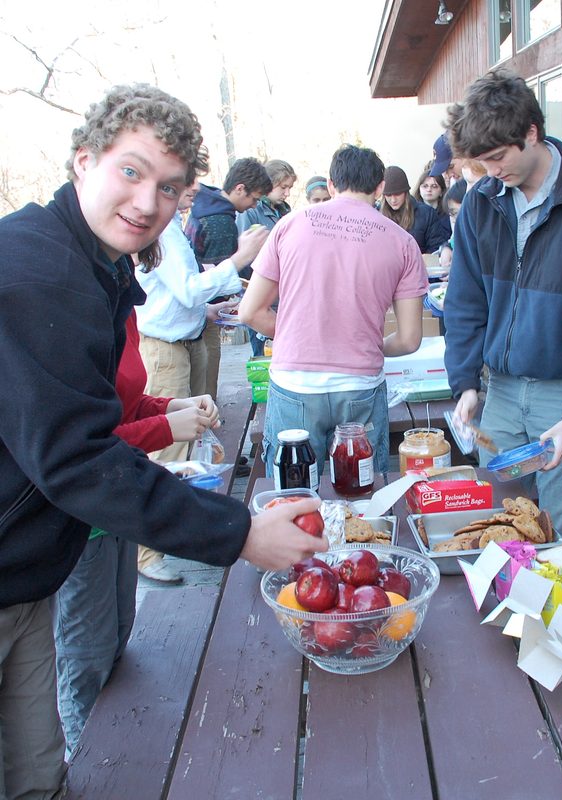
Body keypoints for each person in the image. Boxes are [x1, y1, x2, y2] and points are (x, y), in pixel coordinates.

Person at [0, 83, 326, 798]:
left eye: (170, 187)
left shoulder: (97, 263)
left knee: (37, 777)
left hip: (26, 580)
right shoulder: (35, 269)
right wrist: (239, 533)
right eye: (131, 171)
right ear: (83, 160)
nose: (149, 202)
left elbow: (89, 415)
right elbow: (78, 457)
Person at [443, 68, 562, 546]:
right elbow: (465, 302)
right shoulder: (480, 203)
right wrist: (465, 384)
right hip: (501, 393)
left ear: (531, 133)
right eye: (481, 161)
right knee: (498, 529)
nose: (491, 171)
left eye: (498, 157)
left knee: (558, 532)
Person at [53, 309, 219, 755]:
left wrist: (171, 406)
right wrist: (163, 428)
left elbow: (121, 406)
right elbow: (78, 444)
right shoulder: (64, 313)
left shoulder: (119, 304)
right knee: (85, 658)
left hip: (118, 505)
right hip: (78, 523)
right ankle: (85, 760)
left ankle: (117, 751)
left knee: (118, 636)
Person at [238, 144, 427, 480]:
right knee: (362, 493)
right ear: (380, 187)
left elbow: (250, 312)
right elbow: (410, 339)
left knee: (293, 494)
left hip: (295, 382)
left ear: (331, 183)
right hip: (360, 384)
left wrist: (302, 337)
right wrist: (364, 343)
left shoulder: (289, 225)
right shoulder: (402, 242)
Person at [135, 183, 268, 583]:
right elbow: (187, 288)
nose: (193, 191)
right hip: (165, 348)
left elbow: (176, 291)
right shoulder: (161, 229)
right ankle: (147, 552)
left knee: (194, 440)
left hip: (187, 338)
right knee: (167, 448)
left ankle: (187, 530)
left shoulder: (175, 225)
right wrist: (240, 259)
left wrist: (207, 311)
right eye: (182, 184)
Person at [185, 157, 271, 395]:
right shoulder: (221, 221)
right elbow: (220, 273)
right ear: (240, 188)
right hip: (206, 312)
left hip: (202, 310)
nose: (254, 206)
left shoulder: (208, 205)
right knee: (206, 387)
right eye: (254, 199)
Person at [235, 159, 297, 357]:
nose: (287, 193)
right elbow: (243, 255)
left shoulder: (285, 212)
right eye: (283, 187)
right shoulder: (251, 212)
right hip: (261, 295)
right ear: (269, 183)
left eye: (290, 188)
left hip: (284, 295)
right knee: (263, 357)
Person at [380, 165, 450, 254]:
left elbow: (435, 249)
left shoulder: (427, 214)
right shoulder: (376, 214)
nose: (393, 200)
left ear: (405, 193)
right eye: (388, 195)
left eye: (397, 194)